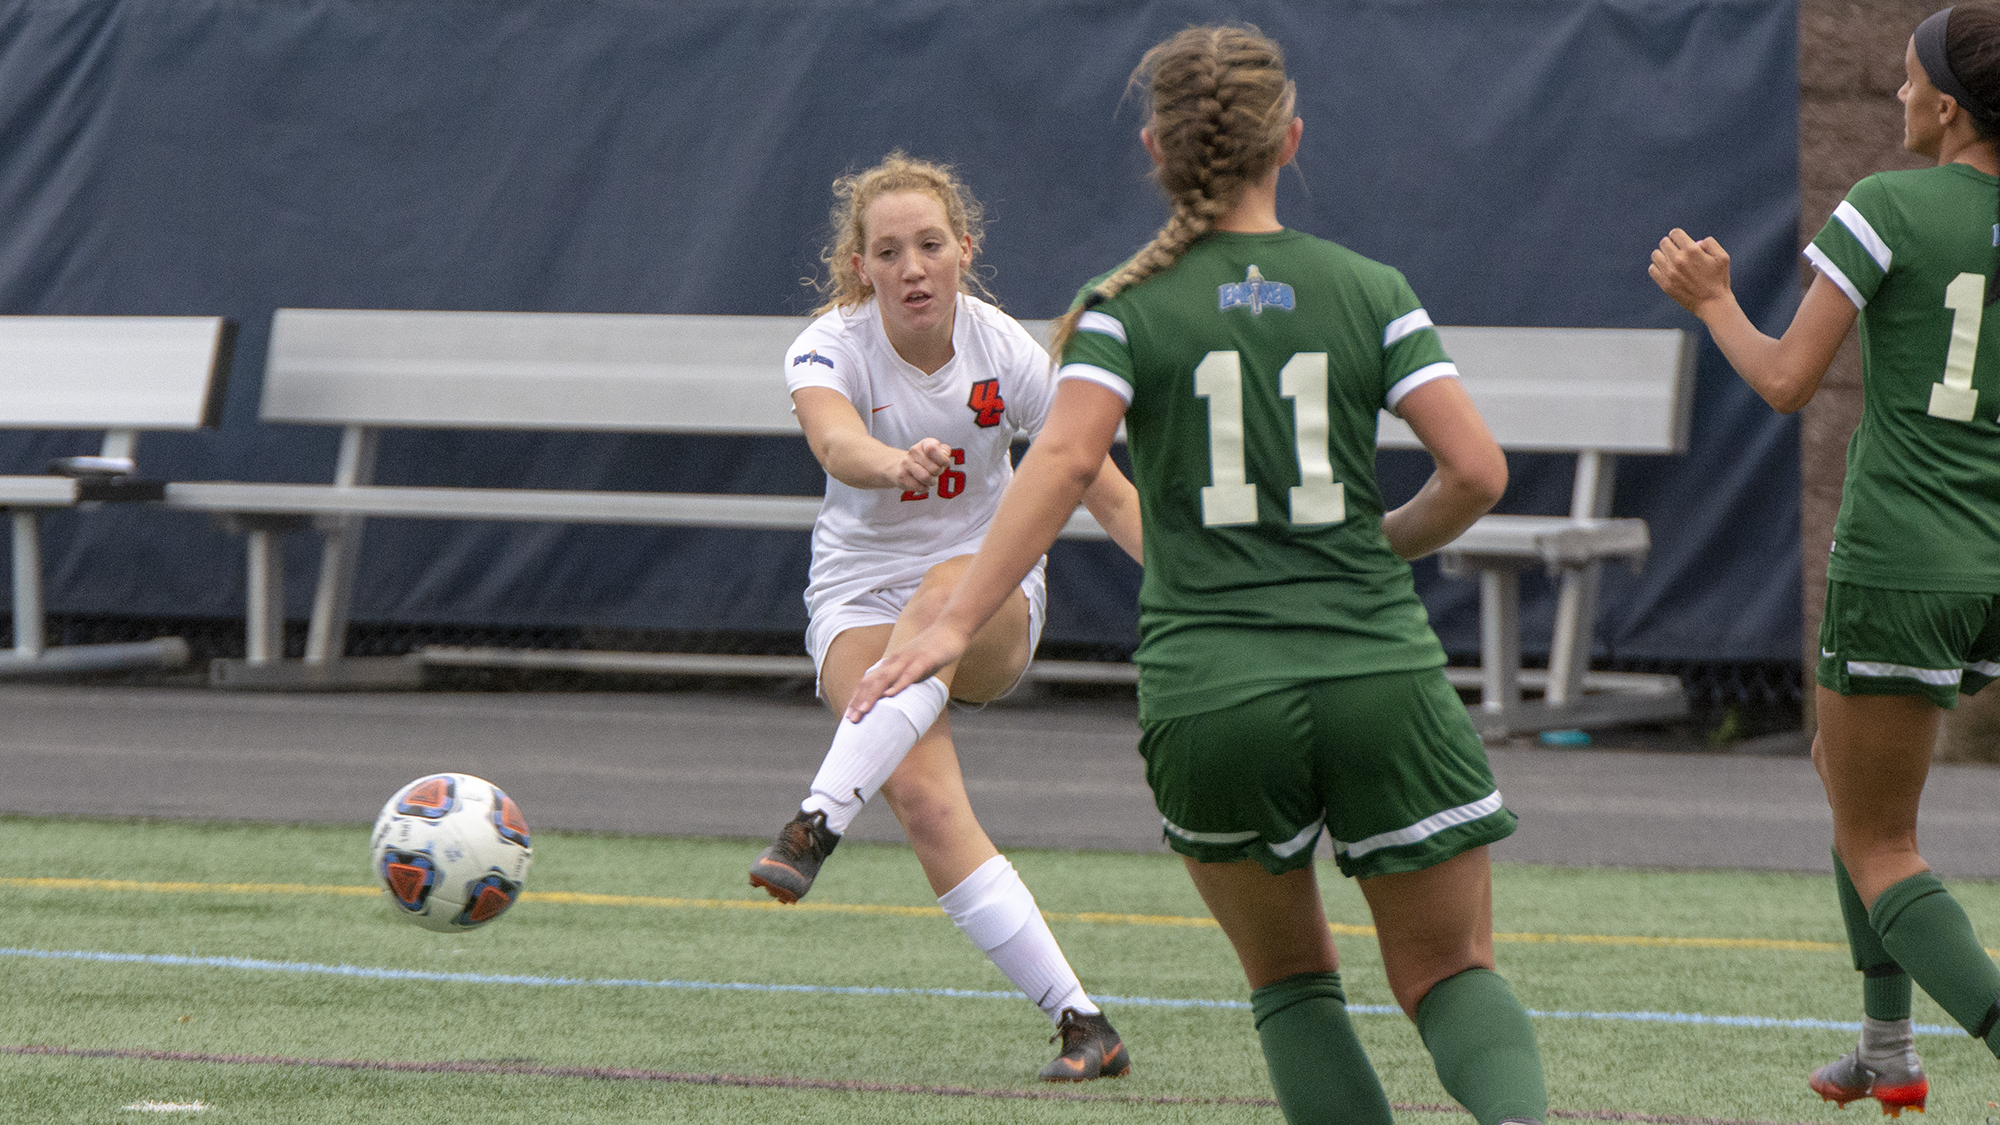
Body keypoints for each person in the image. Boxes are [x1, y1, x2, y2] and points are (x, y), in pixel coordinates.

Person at [848, 27, 1548, 1125]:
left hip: (1213, 693)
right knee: (1448, 972)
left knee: (1290, 985)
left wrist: (949, 626)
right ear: (1291, 141)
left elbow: (1067, 462)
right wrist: (1380, 543)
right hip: (1375, 671)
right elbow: (1475, 471)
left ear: (1154, 152)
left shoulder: (1124, 304)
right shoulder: (1365, 287)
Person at [1650, 5, 2000, 1116]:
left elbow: (1784, 380)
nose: (1895, 99)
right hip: (1992, 567)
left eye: (1904, 83)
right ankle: (1884, 1048)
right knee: (1836, 771)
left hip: (1901, 561)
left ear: (1945, 105)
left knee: (1877, 836)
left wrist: (1710, 300)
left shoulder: (1886, 204)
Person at [748, 152, 1145, 1081]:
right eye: (889, 252)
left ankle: (813, 821)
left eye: (930, 244)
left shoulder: (1009, 352)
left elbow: (1100, 484)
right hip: (858, 591)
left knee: (942, 594)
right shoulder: (830, 345)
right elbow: (835, 440)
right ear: (862, 269)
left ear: (965, 252)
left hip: (990, 593)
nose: (913, 266)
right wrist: (893, 464)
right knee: (925, 802)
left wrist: (1197, 587)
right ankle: (1084, 1022)